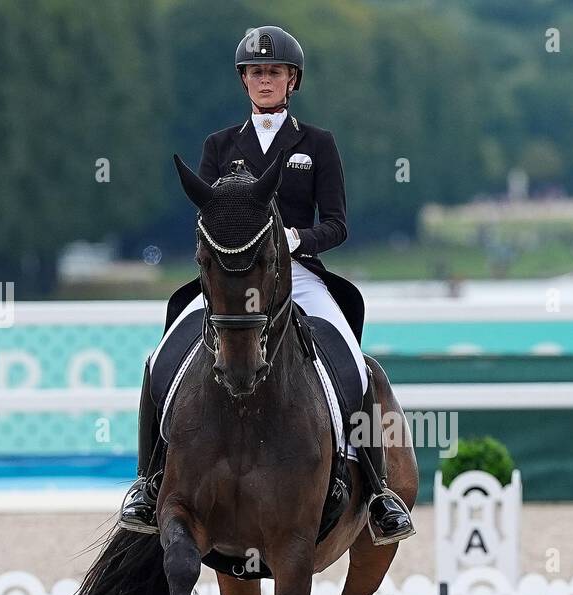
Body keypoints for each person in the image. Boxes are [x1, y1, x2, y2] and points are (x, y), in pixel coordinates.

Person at [119, 25, 414, 545]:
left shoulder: (317, 144)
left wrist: (300, 238)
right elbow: (207, 216)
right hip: (232, 279)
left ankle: (377, 491)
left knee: (354, 364)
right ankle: (147, 482)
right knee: (159, 359)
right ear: (244, 81)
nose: (264, 80)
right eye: (256, 72)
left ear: (291, 80)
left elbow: (339, 223)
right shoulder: (219, 145)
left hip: (297, 274)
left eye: (274, 71)